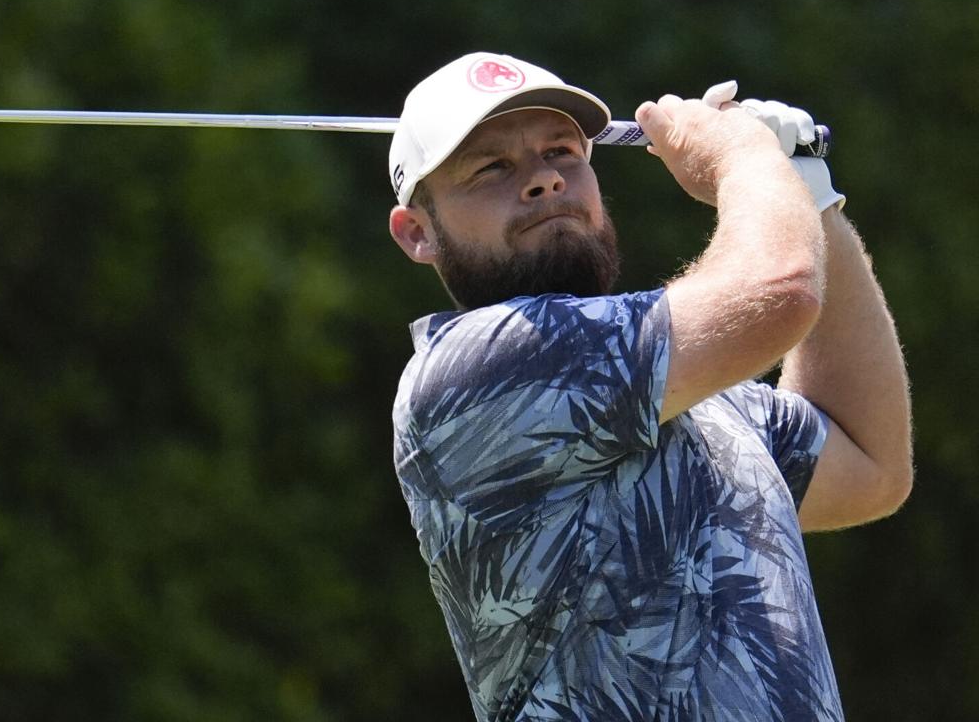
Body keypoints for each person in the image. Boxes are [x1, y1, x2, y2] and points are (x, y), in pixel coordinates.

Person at [386, 52, 912, 721]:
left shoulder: (690, 395)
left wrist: (811, 194)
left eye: (562, 152)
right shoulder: (472, 372)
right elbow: (779, 290)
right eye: (492, 167)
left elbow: (869, 464)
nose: (544, 179)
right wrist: (746, 160)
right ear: (418, 234)